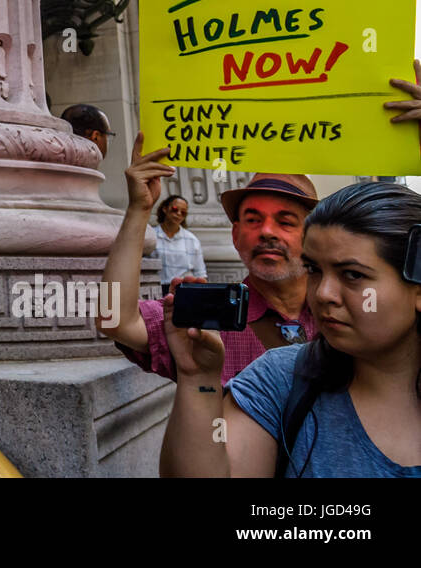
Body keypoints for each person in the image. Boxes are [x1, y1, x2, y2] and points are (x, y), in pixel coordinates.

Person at [159, 181, 421, 477]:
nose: (323, 293)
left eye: (353, 275)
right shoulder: (279, 379)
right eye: (314, 270)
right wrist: (198, 380)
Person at [100, 135, 320, 384]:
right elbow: (113, 318)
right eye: (253, 220)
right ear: (236, 235)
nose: (267, 231)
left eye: (285, 221)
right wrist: (139, 209)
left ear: (314, 237)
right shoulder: (206, 319)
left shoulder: (343, 311)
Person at [150, 195, 206, 295]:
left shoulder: (192, 240)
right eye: (175, 209)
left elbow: (200, 273)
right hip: (155, 290)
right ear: (165, 209)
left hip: (184, 290)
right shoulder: (150, 236)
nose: (178, 213)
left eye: (183, 212)